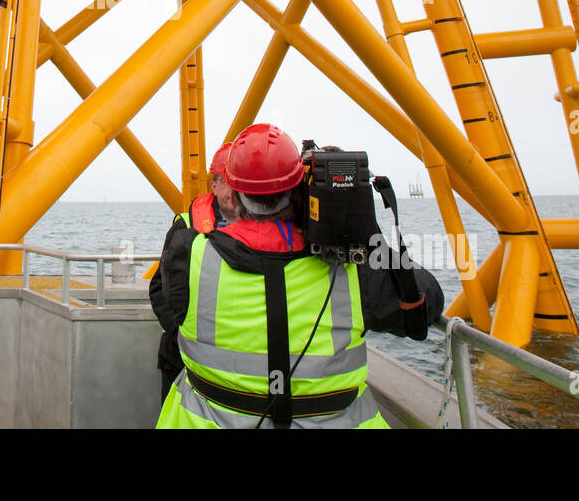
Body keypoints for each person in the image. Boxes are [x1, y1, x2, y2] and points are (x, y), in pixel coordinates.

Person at [152, 122, 445, 428]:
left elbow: (165, 300)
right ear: (298, 192)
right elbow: (426, 303)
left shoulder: (187, 255)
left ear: (235, 197)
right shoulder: (353, 271)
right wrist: (360, 232)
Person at [149, 141, 232, 401]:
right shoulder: (186, 226)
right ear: (214, 185)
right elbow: (158, 289)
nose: (233, 191)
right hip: (180, 357)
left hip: (231, 362)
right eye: (227, 183)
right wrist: (181, 333)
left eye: (239, 183)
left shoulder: (260, 229)